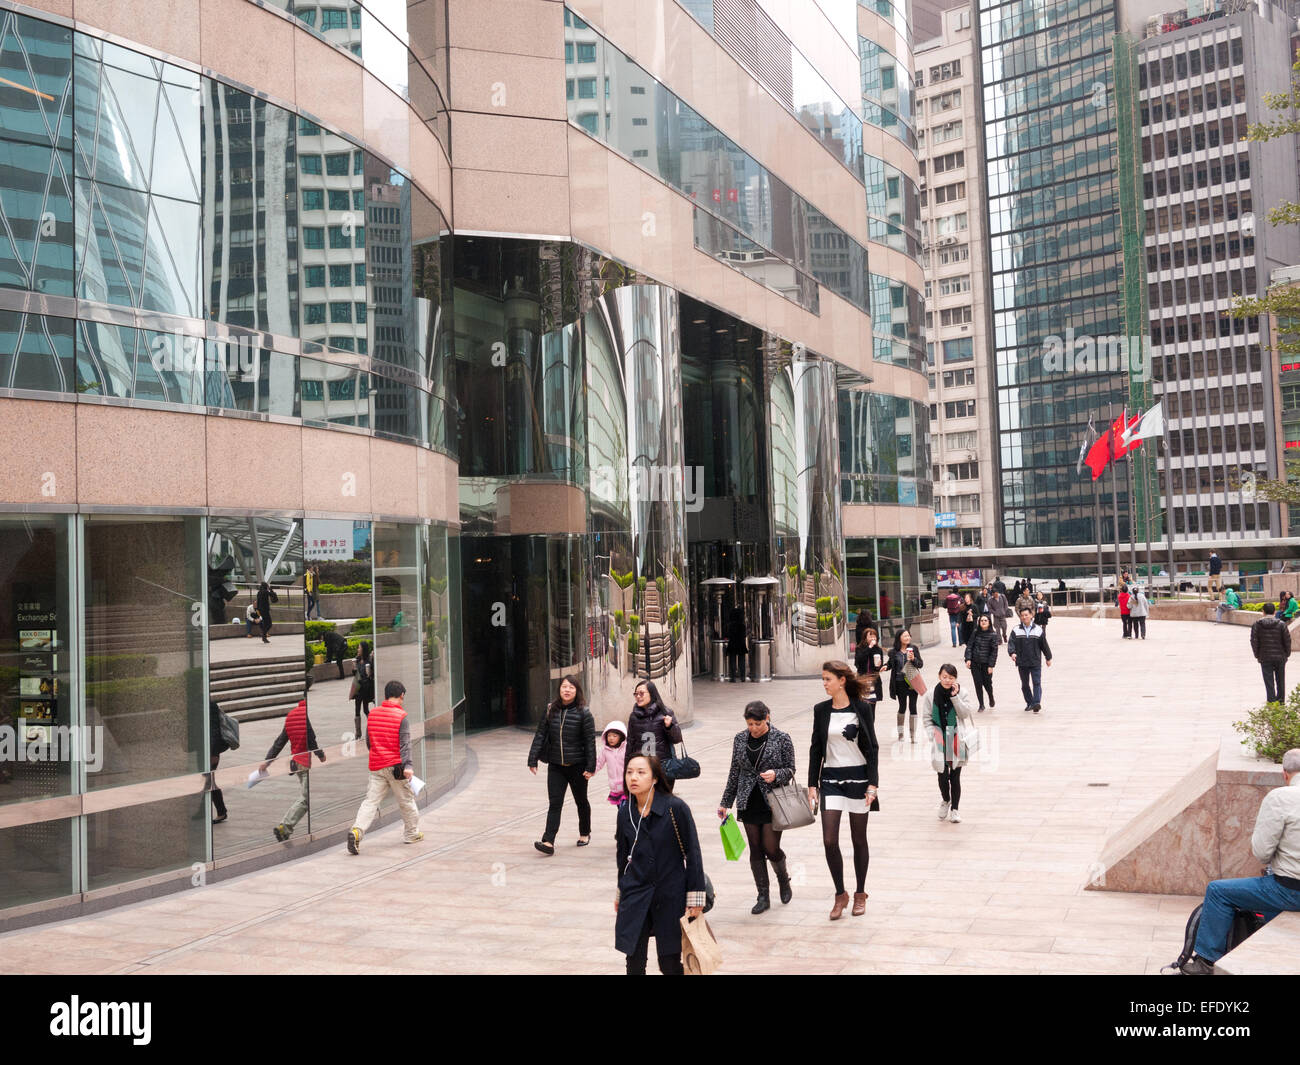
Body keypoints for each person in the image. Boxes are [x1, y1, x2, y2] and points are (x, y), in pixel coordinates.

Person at [1181, 748, 1300, 974]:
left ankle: (1205, 961)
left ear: (1284, 774)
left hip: (1291, 890)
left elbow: (1262, 852)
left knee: (1218, 891)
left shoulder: (1280, 798)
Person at [614, 753, 706, 976]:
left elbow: (693, 853)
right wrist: (620, 893)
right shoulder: (625, 811)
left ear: (655, 778)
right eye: (629, 772)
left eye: (641, 772)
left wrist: (695, 898)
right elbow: (623, 857)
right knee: (633, 962)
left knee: (670, 963)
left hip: (669, 895)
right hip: (636, 893)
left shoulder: (675, 808)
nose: (633, 778)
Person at [808, 661, 879, 920]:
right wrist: (812, 784)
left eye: (828, 679)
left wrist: (873, 783)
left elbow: (872, 747)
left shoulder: (862, 708)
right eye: (823, 679)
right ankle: (840, 894)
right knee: (829, 840)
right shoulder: (821, 710)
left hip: (859, 779)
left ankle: (860, 893)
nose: (824, 683)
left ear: (841, 681)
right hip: (831, 779)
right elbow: (816, 748)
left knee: (859, 839)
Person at [717, 701, 797, 914]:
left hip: (772, 800)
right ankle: (763, 895)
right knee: (755, 849)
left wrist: (776, 774)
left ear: (767, 718)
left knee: (770, 848)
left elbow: (790, 769)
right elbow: (734, 771)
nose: (753, 728)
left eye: (758, 723)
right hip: (748, 800)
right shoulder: (740, 739)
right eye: (750, 723)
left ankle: (783, 879)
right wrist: (726, 802)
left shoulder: (782, 738)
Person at [345, 680, 422, 853]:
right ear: (401, 695)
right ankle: (411, 834)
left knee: (370, 802)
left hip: (376, 766)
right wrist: (408, 766)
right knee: (406, 801)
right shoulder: (402, 716)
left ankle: (357, 831)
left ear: (386, 695)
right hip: (396, 768)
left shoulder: (372, 714)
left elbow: (369, 742)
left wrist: (378, 754)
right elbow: (405, 744)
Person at [527, 675, 596, 854]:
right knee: (555, 803)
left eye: (571, 687)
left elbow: (590, 741)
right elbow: (540, 735)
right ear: (559, 689)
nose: (567, 690)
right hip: (556, 765)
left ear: (576, 691)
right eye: (564, 686)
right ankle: (548, 841)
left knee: (581, 800)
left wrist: (590, 767)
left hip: (578, 766)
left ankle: (585, 832)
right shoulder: (551, 710)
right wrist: (532, 759)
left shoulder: (584, 713)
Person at [262, 675, 327, 841]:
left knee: (306, 796)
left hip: (296, 763)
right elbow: (311, 740)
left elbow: (280, 742)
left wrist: (267, 761)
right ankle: (285, 826)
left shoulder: (291, 715)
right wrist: (320, 755)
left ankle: (286, 828)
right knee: (306, 799)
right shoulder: (305, 715)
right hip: (304, 762)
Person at [923, 664, 977, 824]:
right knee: (942, 774)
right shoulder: (930, 694)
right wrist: (932, 734)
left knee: (955, 776)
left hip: (956, 737)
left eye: (951, 678)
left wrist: (955, 697)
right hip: (939, 737)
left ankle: (955, 809)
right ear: (939, 676)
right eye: (944, 677)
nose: (947, 680)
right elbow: (926, 717)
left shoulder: (963, 692)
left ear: (955, 679)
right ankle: (946, 800)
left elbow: (965, 713)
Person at [1008, 606, 1053, 713]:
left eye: (1026, 615)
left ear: (1031, 615)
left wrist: (1048, 657)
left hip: (1035, 660)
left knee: (1036, 682)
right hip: (1022, 661)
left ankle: (1036, 703)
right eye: (1022, 615)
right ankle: (1029, 703)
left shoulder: (1038, 629)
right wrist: (1012, 653)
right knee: (1025, 684)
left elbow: (1044, 645)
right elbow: (1011, 643)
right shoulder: (1016, 630)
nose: (1024, 617)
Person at [626, 679, 683, 764]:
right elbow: (630, 744)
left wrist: (670, 726)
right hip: (642, 766)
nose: (638, 696)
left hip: (662, 766)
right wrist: (627, 769)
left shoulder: (665, 713)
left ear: (652, 694)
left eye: (641, 693)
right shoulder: (634, 717)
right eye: (636, 694)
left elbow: (677, 739)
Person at [886, 629, 923, 743]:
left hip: (912, 681)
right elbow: (890, 664)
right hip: (900, 682)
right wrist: (884, 667)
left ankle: (913, 736)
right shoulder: (893, 652)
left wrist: (913, 659)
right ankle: (901, 734)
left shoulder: (914, 649)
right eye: (905, 636)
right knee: (902, 707)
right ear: (899, 638)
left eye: (908, 636)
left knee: (913, 707)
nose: (907, 638)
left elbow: (920, 664)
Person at [1251, 603, 1292, 705]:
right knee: (1280, 680)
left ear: (1263, 612)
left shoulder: (1257, 625)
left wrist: (1257, 654)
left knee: (1268, 681)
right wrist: (1287, 654)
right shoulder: (1281, 624)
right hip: (1280, 657)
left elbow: (1254, 641)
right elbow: (1287, 640)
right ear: (1275, 612)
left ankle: (1271, 701)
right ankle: (1281, 701)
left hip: (1265, 657)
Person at [964, 614, 998, 711]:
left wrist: (991, 665)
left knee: (987, 684)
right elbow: (969, 646)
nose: (983, 622)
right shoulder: (975, 633)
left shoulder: (993, 635)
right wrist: (968, 659)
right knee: (978, 683)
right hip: (975, 663)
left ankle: (991, 697)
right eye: (981, 620)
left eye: (985, 620)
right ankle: (981, 704)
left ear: (989, 622)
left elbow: (994, 652)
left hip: (986, 664)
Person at [595, 721, 629, 806]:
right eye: (609, 736)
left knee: (625, 808)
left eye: (615, 736)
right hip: (615, 787)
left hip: (627, 785)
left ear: (621, 737)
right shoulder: (605, 751)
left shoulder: (626, 748)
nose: (611, 738)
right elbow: (598, 763)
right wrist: (590, 771)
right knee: (620, 808)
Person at [207, 699, 229, 824]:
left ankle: (221, 811)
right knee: (206, 781)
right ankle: (220, 811)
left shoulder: (210, 705)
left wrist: (214, 753)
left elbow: (215, 729)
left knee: (208, 780)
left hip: (211, 750)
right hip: (203, 749)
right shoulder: (196, 704)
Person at [352, 641, 375, 737]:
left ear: (363, 649)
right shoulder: (357, 660)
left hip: (366, 689)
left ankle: (372, 727)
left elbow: (371, 675)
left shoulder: (368, 661)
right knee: (357, 710)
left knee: (365, 709)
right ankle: (358, 733)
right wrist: (354, 669)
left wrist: (369, 673)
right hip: (358, 689)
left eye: (359, 648)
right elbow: (356, 675)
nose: (358, 649)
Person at [854, 626, 885, 695]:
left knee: (873, 701)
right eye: (870, 636)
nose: (873, 638)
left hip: (874, 679)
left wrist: (879, 666)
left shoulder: (878, 649)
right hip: (862, 678)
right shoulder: (859, 648)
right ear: (865, 638)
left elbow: (879, 667)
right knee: (863, 701)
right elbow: (857, 662)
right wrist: (869, 647)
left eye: (874, 636)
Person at [725, 606, 748, 683]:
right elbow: (744, 635)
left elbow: (728, 635)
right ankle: (742, 677)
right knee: (742, 661)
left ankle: (733, 677)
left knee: (732, 661)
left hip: (732, 644)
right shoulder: (742, 625)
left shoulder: (730, 625)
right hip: (741, 643)